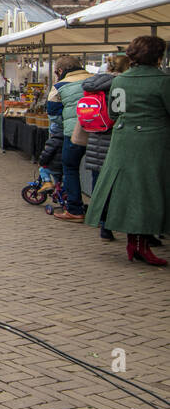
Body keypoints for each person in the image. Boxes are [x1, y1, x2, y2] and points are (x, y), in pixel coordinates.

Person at [84, 36, 170, 265]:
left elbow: (113, 114)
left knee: (129, 191)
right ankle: (140, 244)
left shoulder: (120, 81)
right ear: (158, 56)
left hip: (122, 140)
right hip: (153, 141)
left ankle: (135, 243)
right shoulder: (162, 81)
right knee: (149, 191)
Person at [79, 54, 130, 240]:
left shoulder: (93, 83)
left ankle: (102, 222)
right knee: (116, 185)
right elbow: (120, 114)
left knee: (98, 182)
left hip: (96, 136)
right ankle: (112, 222)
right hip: (115, 139)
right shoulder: (122, 85)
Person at [46, 55, 92, 222]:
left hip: (73, 133)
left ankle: (75, 209)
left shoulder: (59, 86)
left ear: (60, 71)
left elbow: (53, 115)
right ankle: (100, 211)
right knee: (97, 171)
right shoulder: (96, 80)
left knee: (70, 168)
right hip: (99, 132)